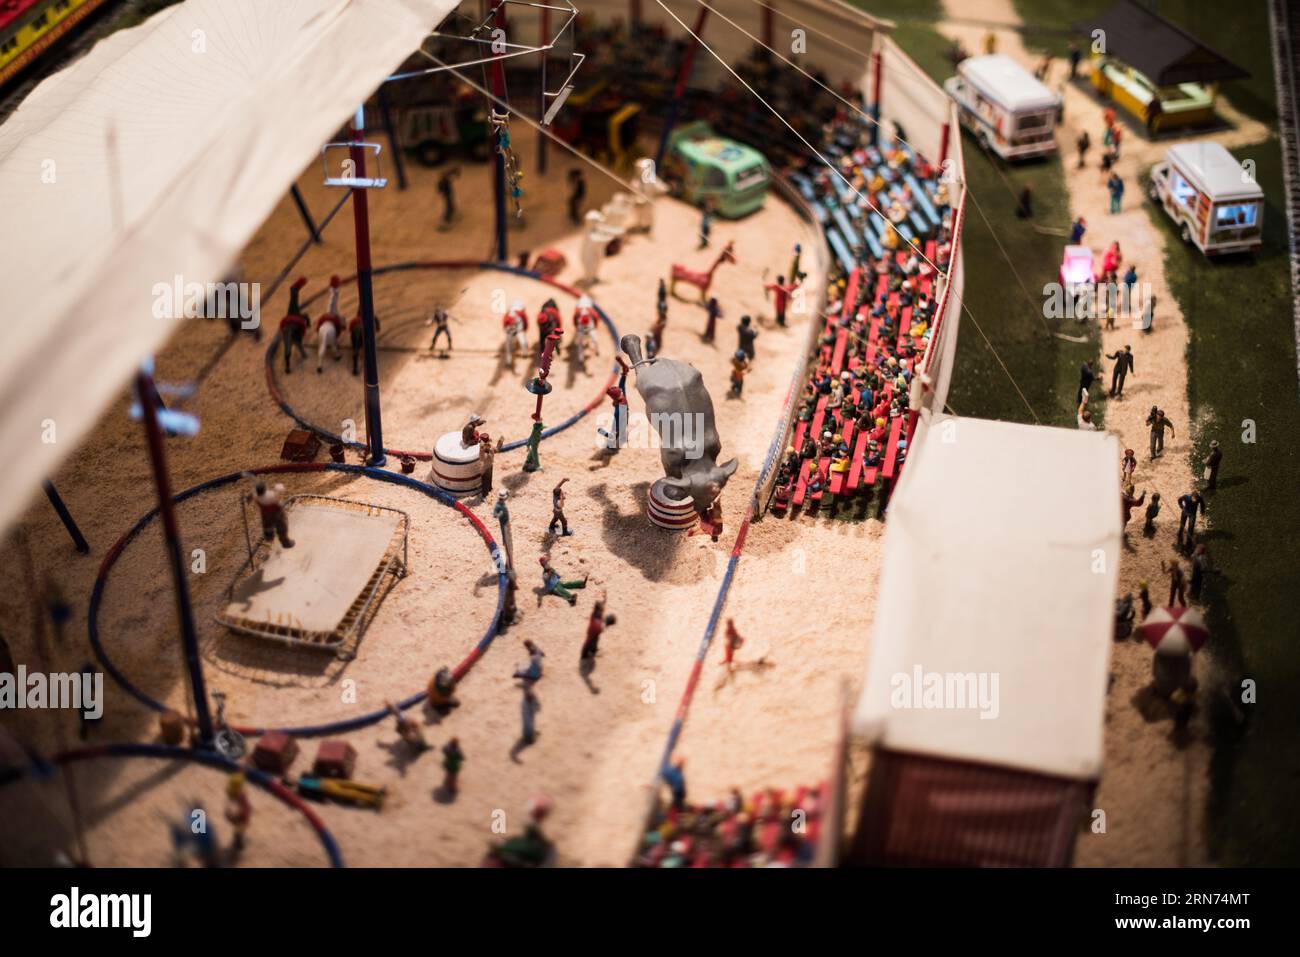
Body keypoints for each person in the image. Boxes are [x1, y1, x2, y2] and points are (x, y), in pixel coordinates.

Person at [252, 481, 294, 548]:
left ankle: (269, 538)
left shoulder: (256, 496)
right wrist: (277, 489)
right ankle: (285, 543)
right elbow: (278, 500)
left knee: (267, 526)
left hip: (265, 514)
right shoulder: (271, 496)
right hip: (277, 514)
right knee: (282, 528)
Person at [582, 595, 616, 662]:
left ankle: (593, 650)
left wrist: (605, 599)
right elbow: (598, 627)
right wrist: (605, 625)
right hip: (593, 632)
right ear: (599, 609)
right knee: (589, 642)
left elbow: (602, 604)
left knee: (595, 642)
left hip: (595, 632)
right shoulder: (596, 617)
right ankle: (584, 654)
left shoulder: (597, 612)